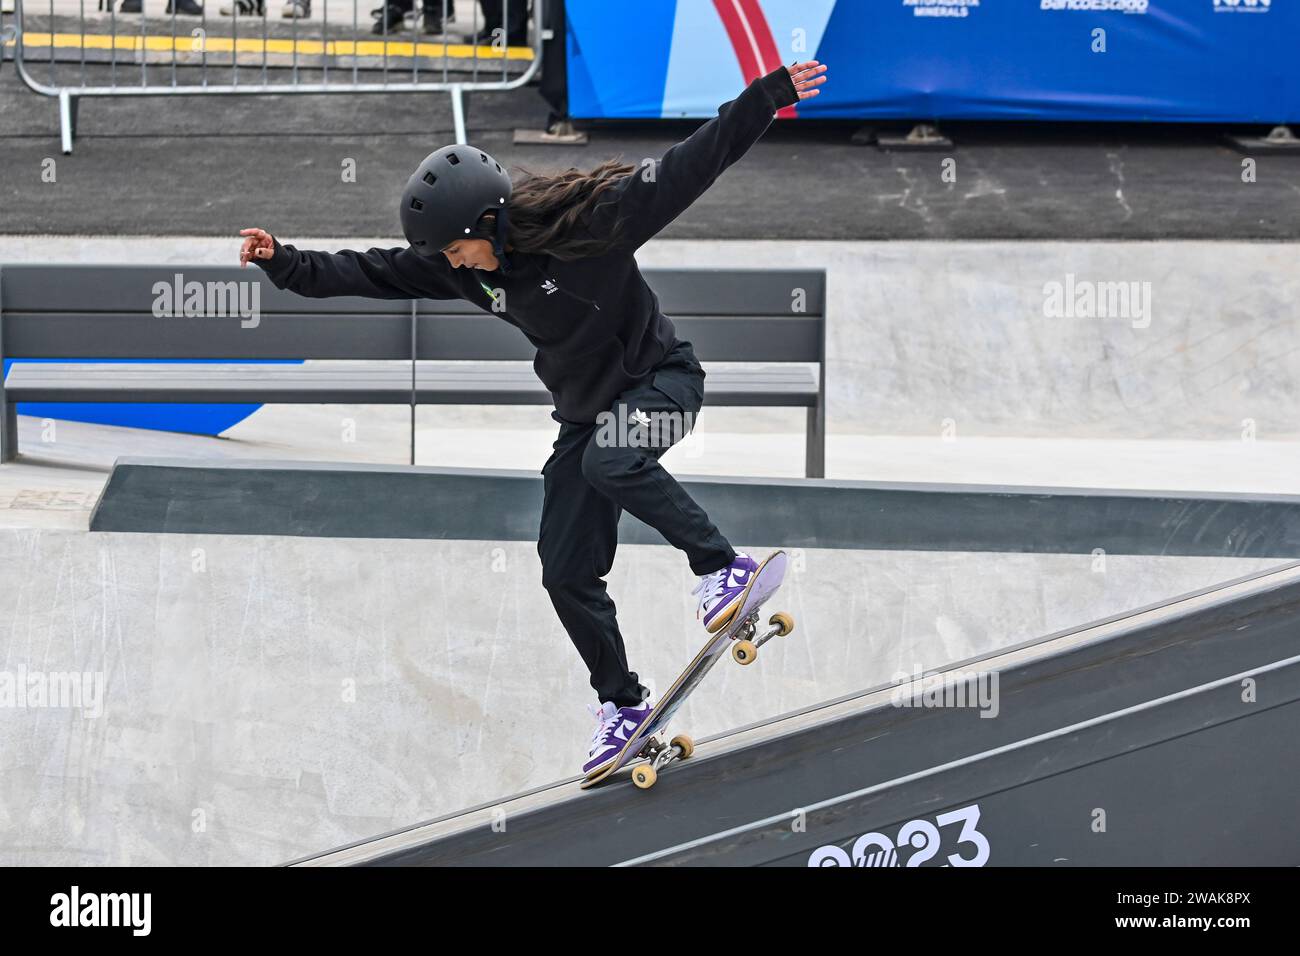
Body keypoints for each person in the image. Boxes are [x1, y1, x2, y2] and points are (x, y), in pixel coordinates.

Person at [238, 60, 828, 775]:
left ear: (490, 222)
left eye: (460, 249)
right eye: (448, 259)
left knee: (610, 460)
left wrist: (766, 96)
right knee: (563, 570)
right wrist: (285, 263)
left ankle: (723, 568)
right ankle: (623, 705)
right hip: (586, 417)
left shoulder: (597, 223)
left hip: (662, 384)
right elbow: (369, 271)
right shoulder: (459, 268)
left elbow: (688, 166)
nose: (459, 266)